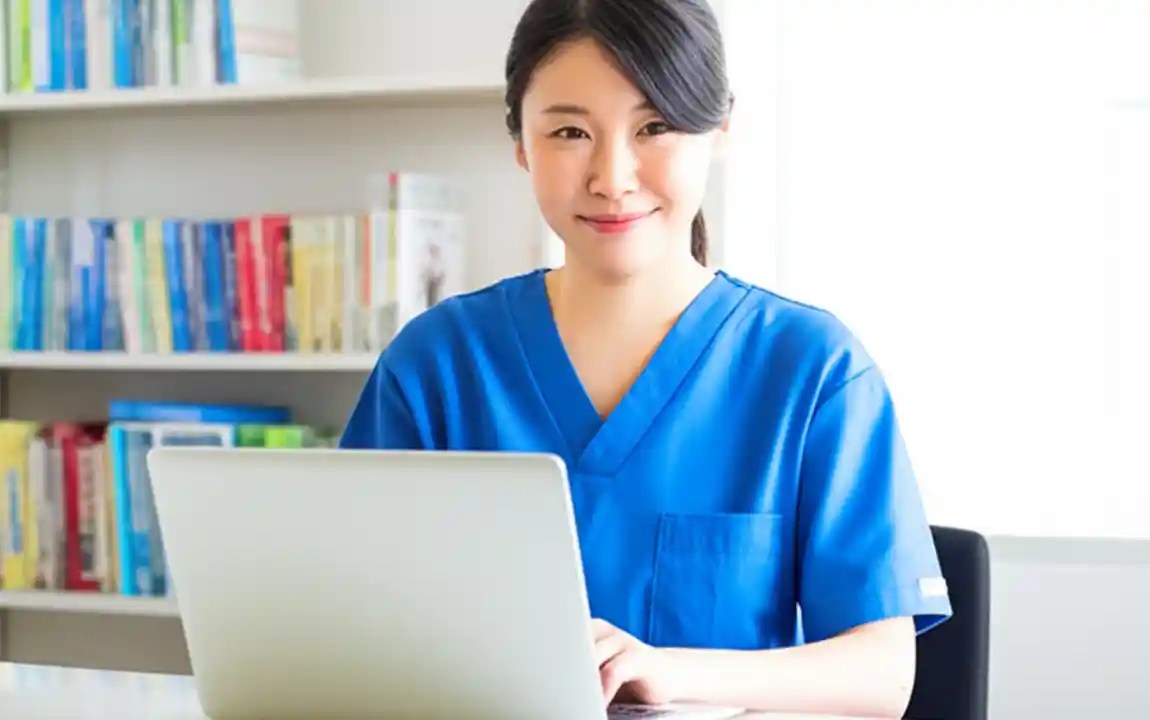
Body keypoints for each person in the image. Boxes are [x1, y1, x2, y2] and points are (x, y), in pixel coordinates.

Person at [339, 0, 952, 716]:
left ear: (720, 126)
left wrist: (671, 672)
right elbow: (345, 630)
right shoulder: (434, 368)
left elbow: (880, 675)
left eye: (654, 126)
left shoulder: (812, 371)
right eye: (570, 131)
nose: (612, 176)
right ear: (520, 144)